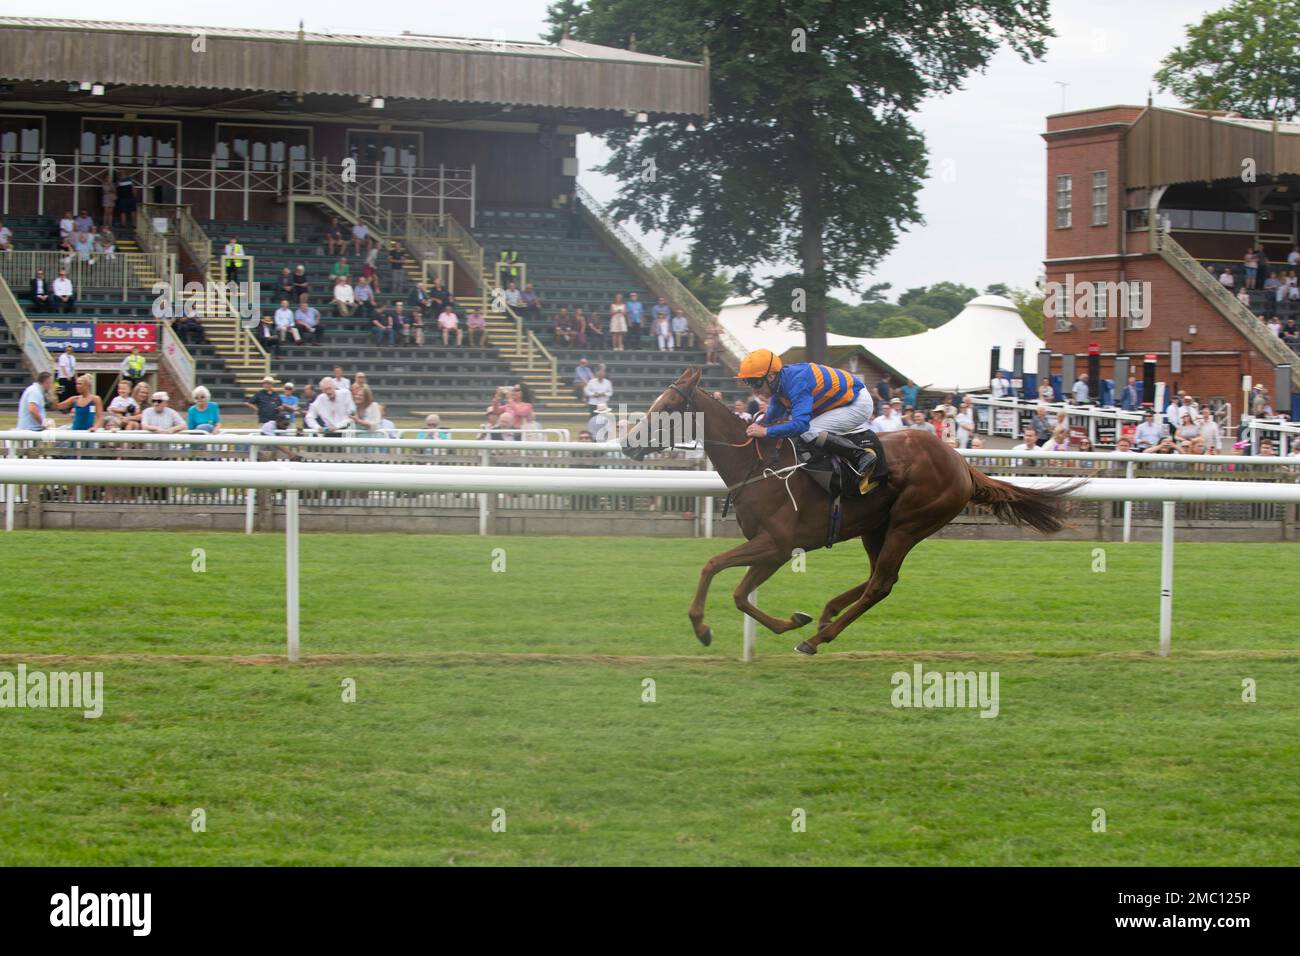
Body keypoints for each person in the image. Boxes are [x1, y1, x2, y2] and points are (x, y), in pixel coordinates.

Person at [737, 349, 879, 494]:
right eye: (750, 383)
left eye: (757, 383)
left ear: (771, 376)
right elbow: (772, 415)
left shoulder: (797, 382)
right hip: (840, 402)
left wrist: (765, 431)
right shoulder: (780, 385)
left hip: (856, 403)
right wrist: (760, 425)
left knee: (809, 431)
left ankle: (862, 455)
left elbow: (801, 425)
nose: (755, 391)